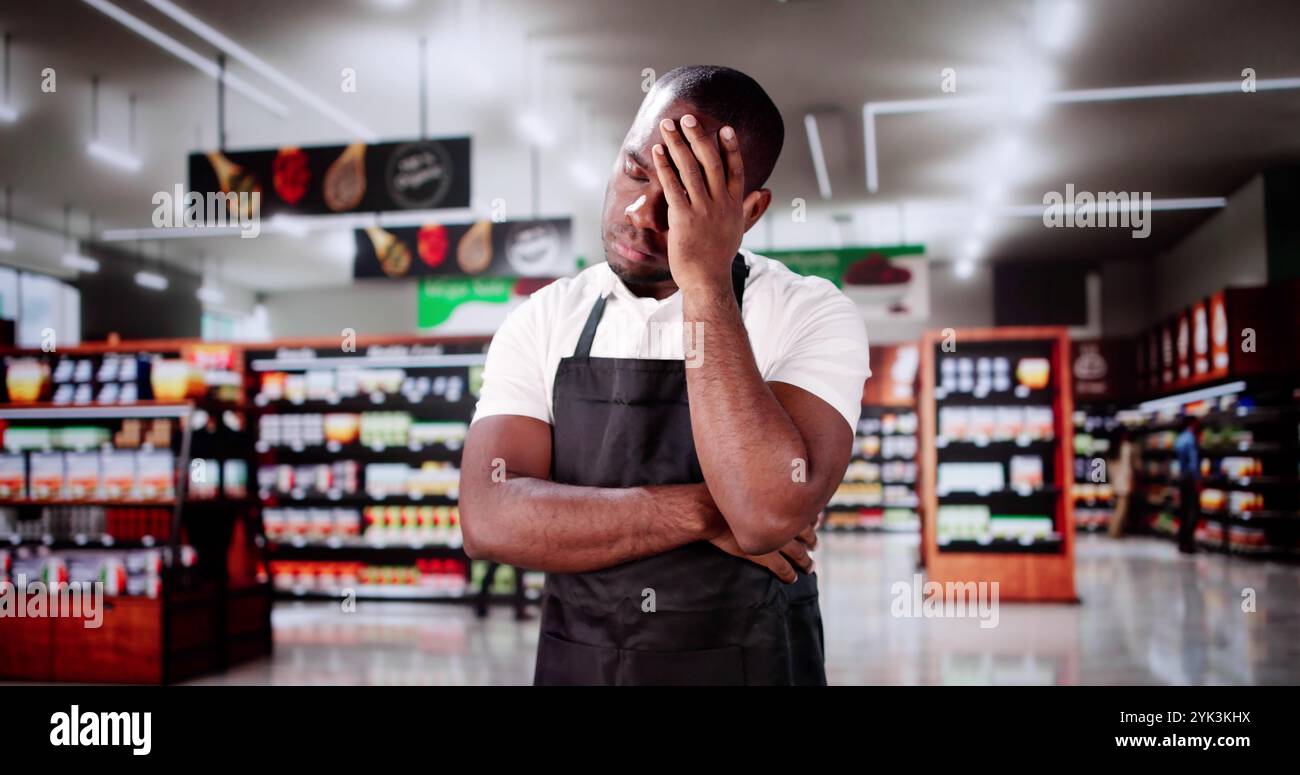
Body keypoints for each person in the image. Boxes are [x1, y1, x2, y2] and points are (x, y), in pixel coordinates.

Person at [459, 65, 870, 685]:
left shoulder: (808, 312)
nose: (643, 213)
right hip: (584, 666)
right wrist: (708, 512)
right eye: (635, 170)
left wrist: (704, 277)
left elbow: (761, 512)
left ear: (749, 210)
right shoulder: (545, 318)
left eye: (685, 195)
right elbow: (488, 518)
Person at [1174, 415, 1202, 553]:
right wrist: (1197, 480)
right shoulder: (1191, 439)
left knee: (1184, 510)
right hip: (1190, 477)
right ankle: (1188, 542)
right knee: (1194, 510)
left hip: (1182, 476)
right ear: (1192, 423)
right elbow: (1194, 462)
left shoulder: (1180, 438)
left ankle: (1181, 541)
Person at [1107, 428, 1134, 538]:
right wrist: (1130, 481)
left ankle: (1116, 531)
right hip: (1124, 481)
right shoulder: (1126, 447)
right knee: (1122, 508)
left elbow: (1109, 468)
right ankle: (1114, 531)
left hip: (1115, 481)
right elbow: (1127, 467)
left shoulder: (1112, 449)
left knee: (1118, 507)